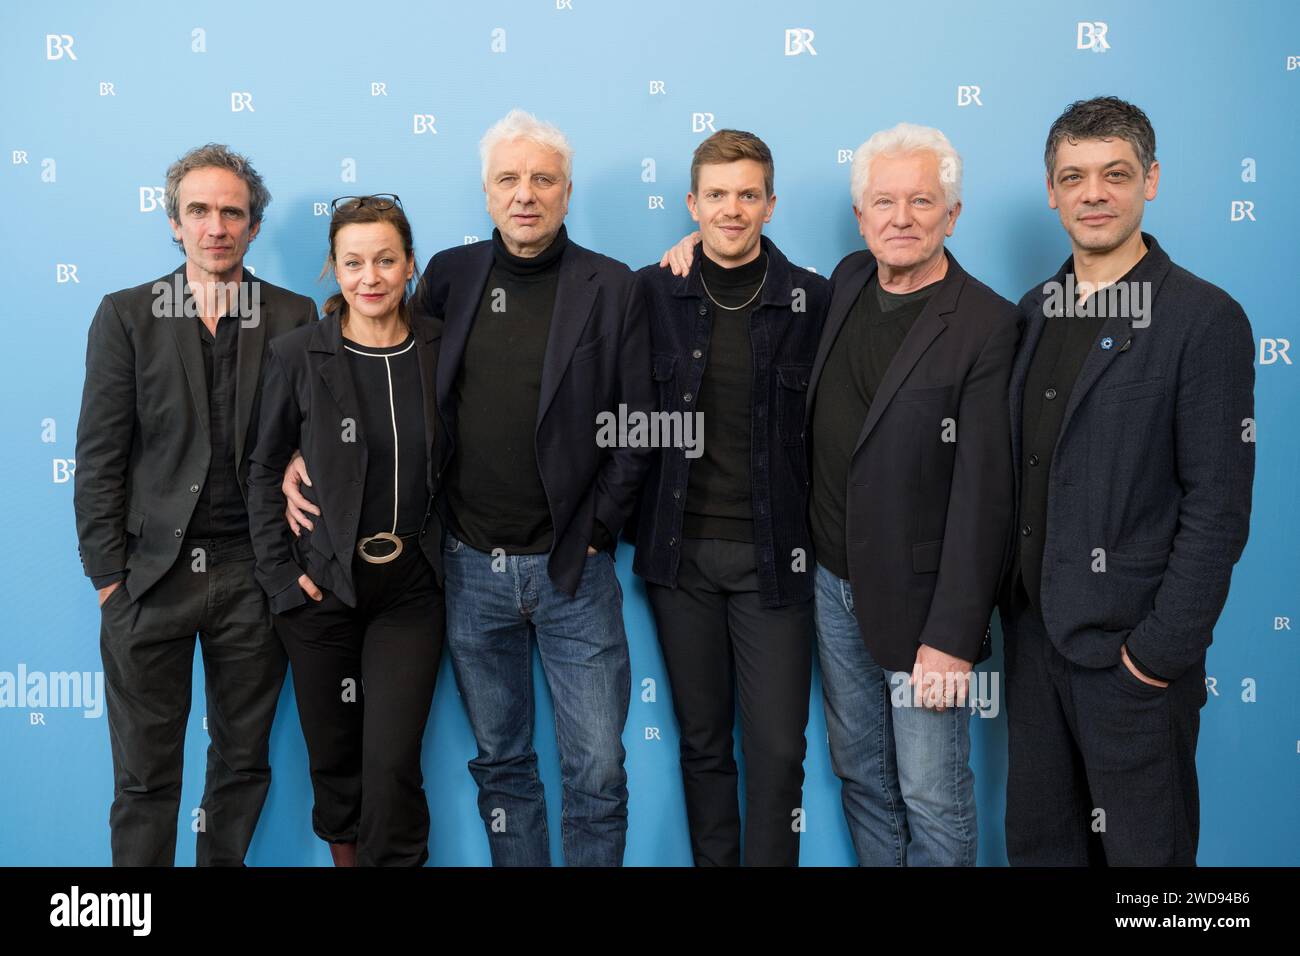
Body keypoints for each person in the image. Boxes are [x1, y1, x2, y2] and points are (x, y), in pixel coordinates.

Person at [285, 109, 654, 866]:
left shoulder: (611, 286)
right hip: (464, 565)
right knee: (502, 763)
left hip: (572, 570)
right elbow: (372, 345)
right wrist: (302, 443)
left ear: (566, 191)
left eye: (542, 179)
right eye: (508, 179)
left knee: (598, 768)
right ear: (487, 193)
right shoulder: (451, 276)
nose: (526, 194)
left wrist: (597, 531)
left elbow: (638, 422)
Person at [662, 123, 1018, 866]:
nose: (901, 217)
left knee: (930, 792)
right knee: (862, 777)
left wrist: (953, 637)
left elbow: (986, 496)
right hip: (827, 584)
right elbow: (742, 272)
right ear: (860, 216)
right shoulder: (846, 283)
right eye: (883, 201)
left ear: (952, 215)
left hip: (924, 609)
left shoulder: (986, 323)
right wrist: (691, 255)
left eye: (922, 201)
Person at [1002, 97, 1255, 865]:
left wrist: (1156, 657)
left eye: (1115, 174)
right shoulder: (1032, 312)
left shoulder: (1203, 319)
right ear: (1051, 191)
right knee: (1044, 852)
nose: (1093, 193)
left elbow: (1218, 511)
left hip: (1131, 663)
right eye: (1073, 176)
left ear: (1150, 181)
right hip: (1033, 649)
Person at [74, 143, 317, 865]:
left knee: (241, 768)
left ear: (253, 226)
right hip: (149, 579)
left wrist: (307, 453)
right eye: (200, 211)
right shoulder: (126, 316)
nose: (216, 226)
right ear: (175, 223)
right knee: (145, 779)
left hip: (254, 576)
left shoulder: (293, 314)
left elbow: (315, 433)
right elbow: (99, 457)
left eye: (232, 212)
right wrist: (108, 581)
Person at [634, 130, 827, 866]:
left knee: (778, 750)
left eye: (749, 195)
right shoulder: (652, 290)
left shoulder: (818, 299)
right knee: (704, 743)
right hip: (678, 557)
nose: (733, 209)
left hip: (776, 557)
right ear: (692, 203)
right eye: (717, 195)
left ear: (771, 204)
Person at [246, 195, 444, 867]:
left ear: (409, 264)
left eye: (386, 260)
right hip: (322, 590)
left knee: (392, 763)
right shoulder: (298, 354)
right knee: (336, 763)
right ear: (333, 269)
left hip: (411, 591)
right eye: (354, 262)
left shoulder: (443, 348)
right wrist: (281, 577)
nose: (371, 277)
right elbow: (264, 467)